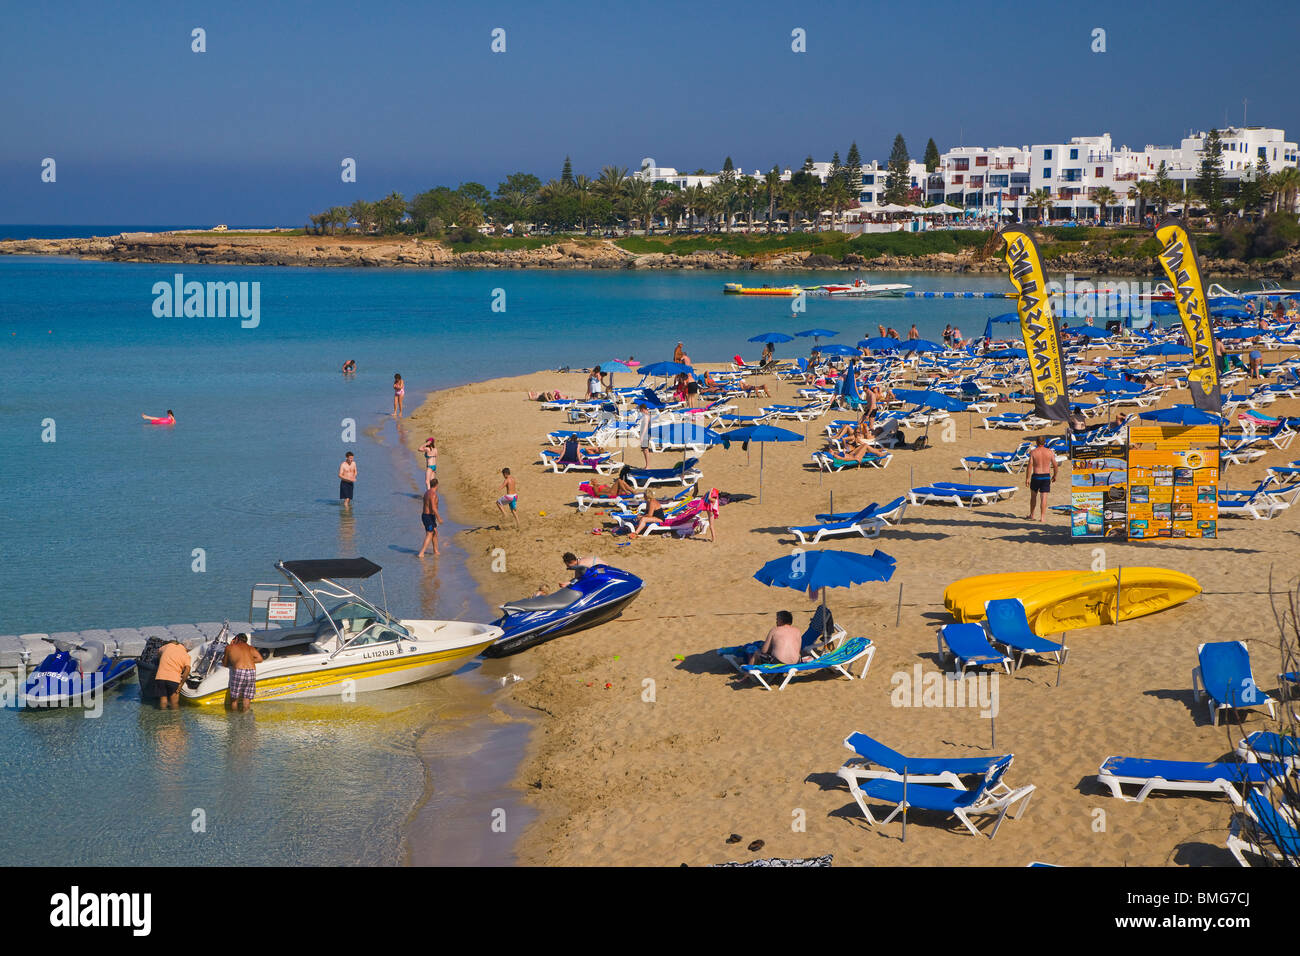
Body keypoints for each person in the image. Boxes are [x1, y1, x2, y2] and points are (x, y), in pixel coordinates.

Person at [222, 633, 263, 712]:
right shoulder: (250, 647)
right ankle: (246, 716)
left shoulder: (230, 647)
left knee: (234, 699)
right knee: (246, 698)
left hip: (239, 671)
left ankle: (234, 717)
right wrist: (249, 660)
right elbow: (260, 659)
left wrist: (235, 661)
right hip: (251, 671)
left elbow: (225, 664)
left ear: (236, 639)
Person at [1026, 436, 1058, 522]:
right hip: (1046, 476)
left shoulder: (1033, 452)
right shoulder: (1050, 452)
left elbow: (1030, 466)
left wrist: (1027, 478)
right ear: (1044, 443)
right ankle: (1042, 517)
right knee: (1044, 498)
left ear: (1036, 442)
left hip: (1036, 476)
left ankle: (1032, 515)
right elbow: (1055, 465)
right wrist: (1055, 476)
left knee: (1033, 496)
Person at [154, 640, 191, 709]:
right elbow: (188, 669)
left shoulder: (168, 646)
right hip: (173, 679)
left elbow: (158, 652)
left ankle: (162, 714)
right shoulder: (186, 655)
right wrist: (181, 684)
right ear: (187, 649)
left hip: (160, 677)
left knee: (163, 700)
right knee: (174, 702)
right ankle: (175, 715)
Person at [418, 478, 440, 557]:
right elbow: (433, 508)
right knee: (430, 534)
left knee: (435, 532)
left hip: (428, 516)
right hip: (428, 517)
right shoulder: (433, 494)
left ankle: (436, 551)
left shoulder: (427, 492)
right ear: (436, 485)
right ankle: (421, 553)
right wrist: (439, 518)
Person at [637, 401, 653, 467]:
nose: (640, 411)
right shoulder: (648, 414)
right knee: (645, 450)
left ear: (643, 409)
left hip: (645, 434)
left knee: (645, 450)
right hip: (647, 434)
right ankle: (647, 465)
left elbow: (645, 426)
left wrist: (642, 436)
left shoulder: (646, 416)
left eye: (640, 410)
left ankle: (647, 466)